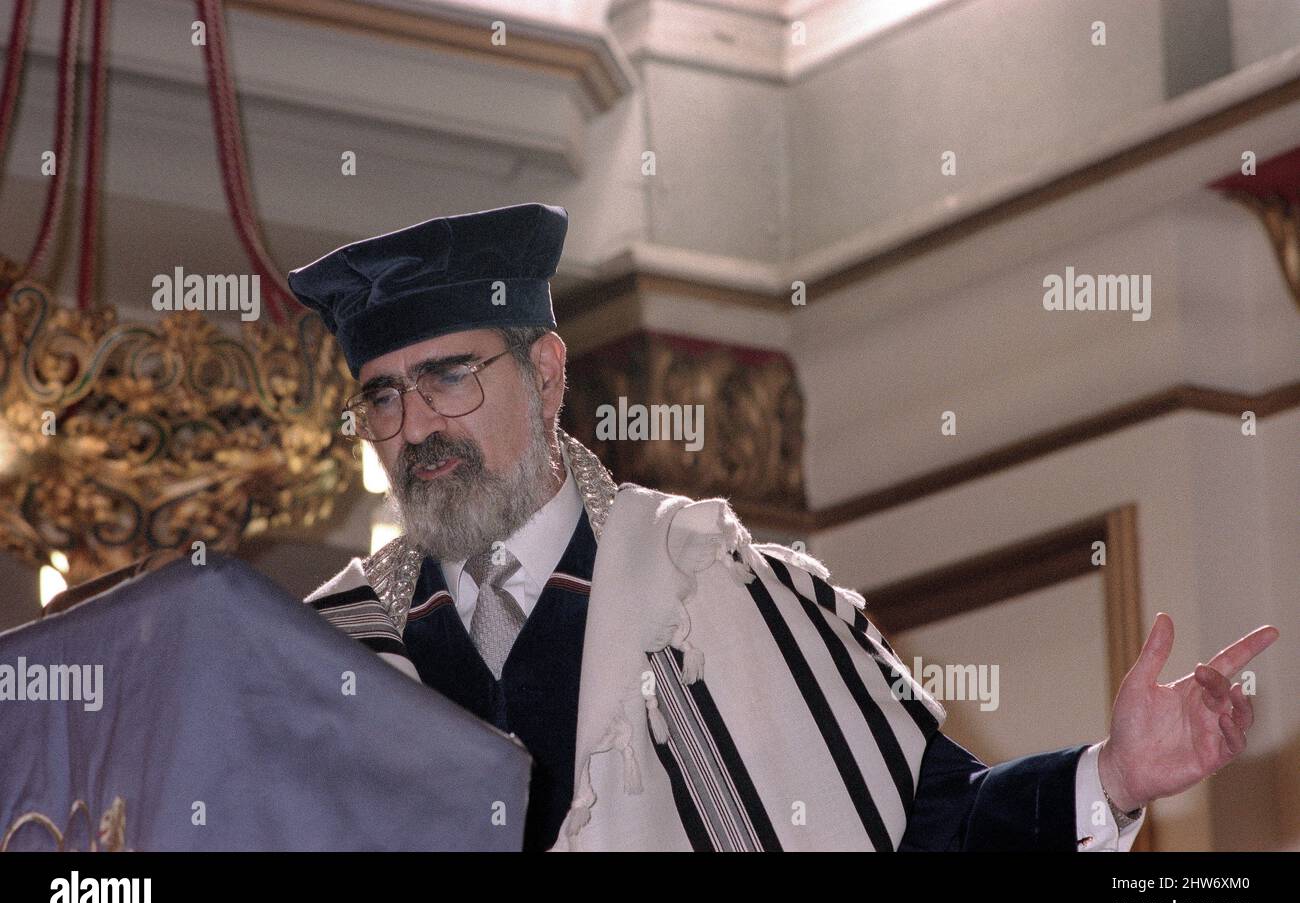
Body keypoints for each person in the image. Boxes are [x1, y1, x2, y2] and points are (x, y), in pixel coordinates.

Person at [288, 203, 1278, 852]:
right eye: (381, 396)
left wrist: (1112, 774)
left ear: (545, 372)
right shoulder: (322, 655)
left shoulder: (730, 593)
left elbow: (926, 825)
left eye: (447, 376)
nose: (414, 425)